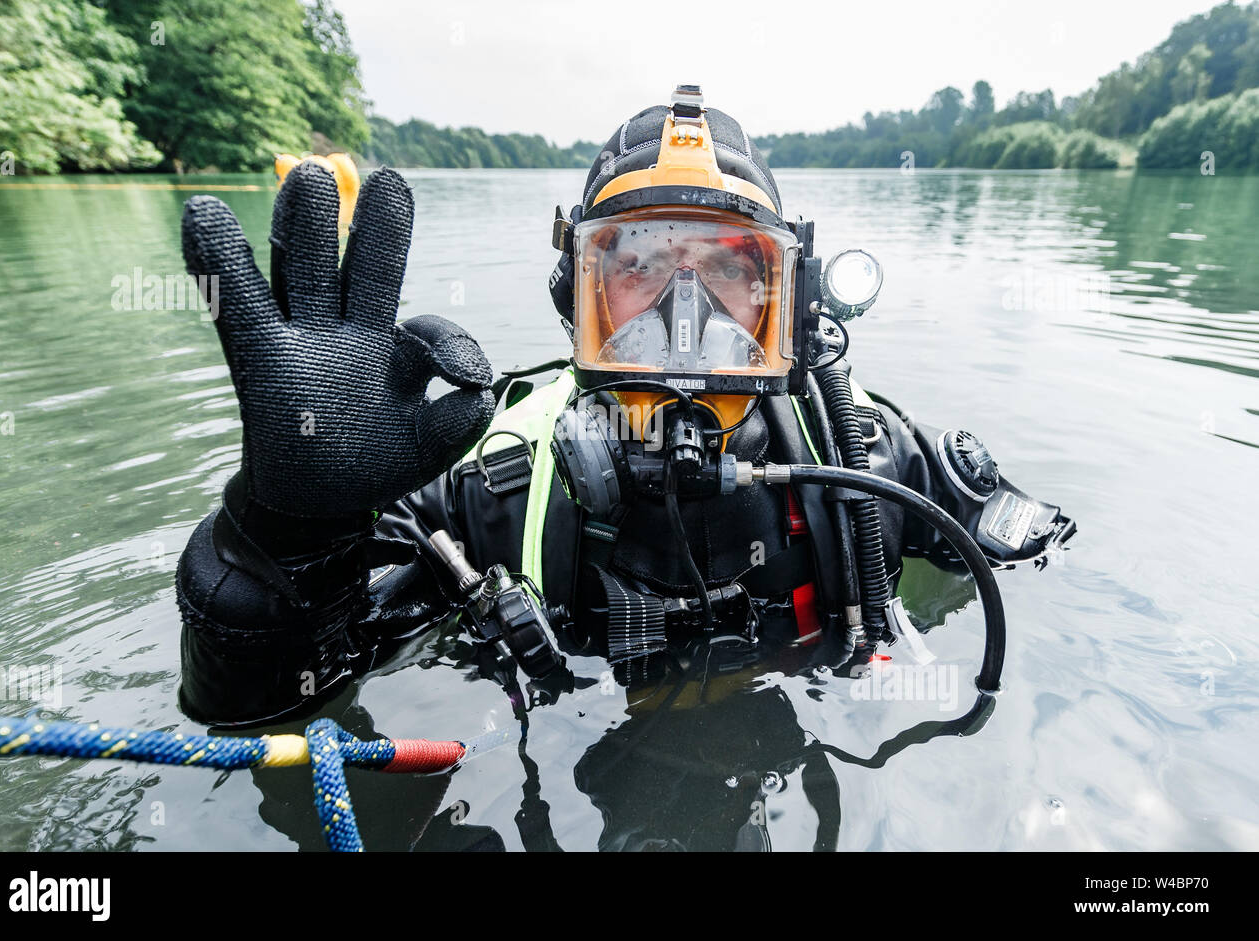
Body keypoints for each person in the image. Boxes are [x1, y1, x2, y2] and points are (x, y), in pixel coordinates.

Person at [175, 85, 1074, 726]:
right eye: (637, 268)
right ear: (578, 299)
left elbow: (1044, 558)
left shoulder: (866, 462)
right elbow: (267, 706)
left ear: (790, 302)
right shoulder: (491, 494)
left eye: (730, 270)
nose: (688, 319)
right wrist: (283, 532)